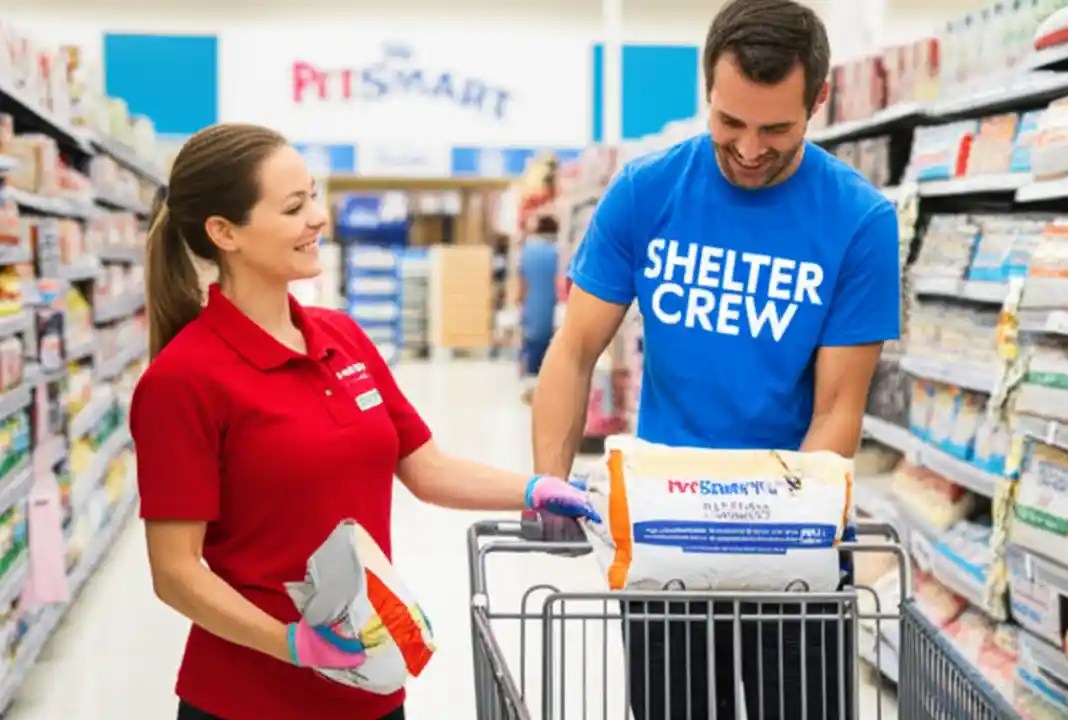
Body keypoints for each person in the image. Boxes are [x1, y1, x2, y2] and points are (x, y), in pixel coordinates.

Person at [131, 123, 599, 720]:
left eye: (314, 198)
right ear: (225, 233)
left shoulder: (341, 337)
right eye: (294, 207)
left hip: (368, 686)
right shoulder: (184, 379)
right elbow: (174, 572)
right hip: (246, 699)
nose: (318, 219)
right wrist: (293, 645)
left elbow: (426, 469)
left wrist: (534, 490)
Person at [530, 0, 900, 718]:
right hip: (667, 543)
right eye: (730, 123)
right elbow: (574, 350)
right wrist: (548, 483)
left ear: (820, 98)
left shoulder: (859, 221)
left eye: (777, 130)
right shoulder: (647, 191)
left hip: (796, 554)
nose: (751, 149)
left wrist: (771, 536)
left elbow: (837, 410)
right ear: (706, 90)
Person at [516, 215, 560, 402]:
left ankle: (531, 390)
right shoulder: (559, 252)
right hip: (555, 309)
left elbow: (521, 286)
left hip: (532, 307)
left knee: (532, 348)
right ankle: (548, 390)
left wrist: (519, 305)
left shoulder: (527, 252)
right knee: (552, 350)